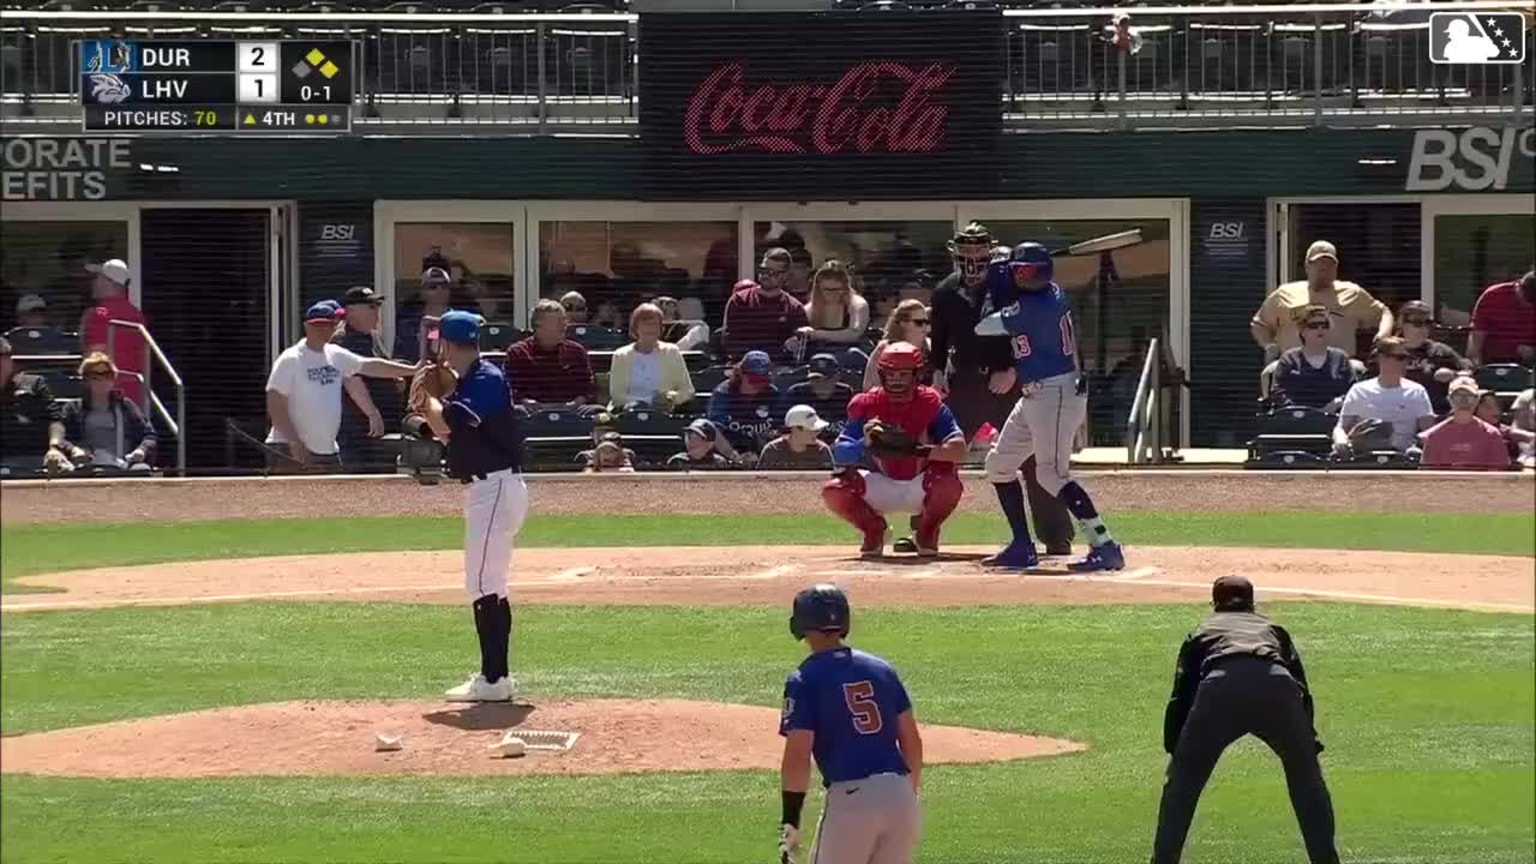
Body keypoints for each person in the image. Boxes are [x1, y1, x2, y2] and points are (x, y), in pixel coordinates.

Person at [1152, 576, 1337, 864]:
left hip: (1219, 687)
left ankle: (1164, 861)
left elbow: (1182, 694)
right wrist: (1306, 741)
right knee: (1307, 779)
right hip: (1277, 685)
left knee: (1182, 784)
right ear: (1253, 603)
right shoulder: (1272, 628)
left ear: (1214, 603)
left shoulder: (1202, 630)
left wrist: (1178, 751)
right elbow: (1300, 686)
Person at [977, 242, 1125, 572]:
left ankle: (1105, 545)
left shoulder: (1035, 306)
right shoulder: (1052, 292)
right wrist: (1008, 277)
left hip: (1055, 392)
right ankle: (1021, 546)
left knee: (1050, 473)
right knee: (999, 465)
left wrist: (996, 287)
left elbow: (983, 327)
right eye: (1020, 271)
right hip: (1036, 393)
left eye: (1027, 271)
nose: (1023, 276)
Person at [929, 223, 1073, 556]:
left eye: (979, 254)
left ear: (990, 253)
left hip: (1008, 382)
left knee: (1036, 460)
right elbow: (940, 337)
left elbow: (1031, 332)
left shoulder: (1011, 287)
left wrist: (1012, 368)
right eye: (965, 255)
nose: (972, 263)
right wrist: (937, 371)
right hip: (963, 381)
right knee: (938, 454)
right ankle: (925, 528)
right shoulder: (946, 291)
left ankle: (1055, 535)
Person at [412, 310, 529, 703]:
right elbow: (439, 428)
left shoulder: (486, 378)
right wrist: (427, 411)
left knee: (483, 585)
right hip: (491, 488)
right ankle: (499, 677)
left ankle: (493, 681)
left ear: (447, 344)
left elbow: (448, 423)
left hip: (494, 488)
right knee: (491, 585)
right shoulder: (471, 381)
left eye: (440, 342)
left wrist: (428, 399)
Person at [777, 584, 923, 864]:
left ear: (802, 624)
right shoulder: (881, 669)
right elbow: (911, 741)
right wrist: (906, 793)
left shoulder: (804, 678)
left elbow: (797, 755)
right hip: (900, 797)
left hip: (852, 801)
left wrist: (790, 821)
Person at [824, 342, 967, 557]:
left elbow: (958, 450)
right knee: (834, 490)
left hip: (920, 482)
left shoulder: (931, 404)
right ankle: (874, 530)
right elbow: (839, 453)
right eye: (891, 375)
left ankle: (926, 530)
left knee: (949, 483)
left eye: (902, 375)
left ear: (916, 375)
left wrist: (916, 449)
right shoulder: (866, 403)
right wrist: (864, 442)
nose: (896, 381)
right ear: (882, 375)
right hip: (880, 481)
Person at [264, 300, 420, 474]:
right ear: (307, 327)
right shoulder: (291, 359)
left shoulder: (335, 354)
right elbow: (275, 404)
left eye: (328, 325)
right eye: (318, 326)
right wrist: (293, 441)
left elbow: (370, 366)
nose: (323, 330)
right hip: (289, 449)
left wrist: (413, 370)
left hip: (327, 451)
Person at [1251, 241, 1392, 360]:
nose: (1324, 268)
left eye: (1329, 263)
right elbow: (1259, 324)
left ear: (1336, 267)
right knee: (1270, 372)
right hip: (1295, 368)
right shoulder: (1284, 293)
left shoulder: (1352, 292)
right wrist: (1269, 345)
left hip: (1339, 368)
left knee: (1358, 369)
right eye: (1318, 263)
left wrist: (1382, 335)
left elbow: (1384, 313)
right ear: (1307, 266)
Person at [1331, 336, 1437, 459]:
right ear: (1382, 358)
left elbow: (1429, 431)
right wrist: (1341, 440)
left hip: (1403, 458)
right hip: (1364, 456)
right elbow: (1341, 427)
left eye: (1407, 358)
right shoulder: (1359, 390)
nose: (1405, 363)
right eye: (1400, 358)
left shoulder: (1417, 391)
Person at [333, 286, 396, 473]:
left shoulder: (370, 337)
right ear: (352, 310)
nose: (376, 311)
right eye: (371, 306)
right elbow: (351, 378)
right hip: (354, 428)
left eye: (377, 306)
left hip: (373, 428)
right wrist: (372, 413)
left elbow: (380, 366)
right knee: (357, 482)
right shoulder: (345, 339)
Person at [58, 352, 155, 472]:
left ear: (113, 380)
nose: (101, 381)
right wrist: (73, 449)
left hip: (123, 463)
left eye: (107, 376)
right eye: (95, 377)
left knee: (142, 470)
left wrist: (141, 450)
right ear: (86, 381)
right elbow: (59, 437)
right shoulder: (73, 408)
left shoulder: (126, 406)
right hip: (88, 464)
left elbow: (149, 435)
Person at [502, 299, 599, 411]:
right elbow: (510, 388)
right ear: (539, 325)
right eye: (558, 321)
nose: (564, 324)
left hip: (571, 412)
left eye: (564, 319)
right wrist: (527, 403)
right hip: (530, 414)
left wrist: (575, 404)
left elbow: (588, 387)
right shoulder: (518, 353)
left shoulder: (576, 351)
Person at [78, 258, 147, 408]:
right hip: (134, 394)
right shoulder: (136, 314)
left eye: (97, 278)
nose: (93, 283)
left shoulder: (101, 314)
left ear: (107, 282)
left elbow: (95, 355)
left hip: (107, 396)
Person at [721, 249, 809, 362]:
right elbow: (729, 341)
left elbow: (799, 347)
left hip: (780, 370)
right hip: (743, 367)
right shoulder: (740, 300)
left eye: (773, 273)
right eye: (763, 270)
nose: (766, 275)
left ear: (785, 275)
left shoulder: (794, 308)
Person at [1267, 305, 1361, 411]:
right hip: (1296, 419)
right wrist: (1295, 410)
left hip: (1333, 417)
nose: (1320, 329)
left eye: (1324, 325)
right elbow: (1278, 391)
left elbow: (1353, 390)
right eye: (1313, 326)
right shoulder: (1289, 359)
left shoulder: (1340, 358)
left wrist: (1337, 403)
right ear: (1302, 331)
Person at [607, 303, 695, 412]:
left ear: (661, 328)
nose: (650, 328)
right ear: (635, 328)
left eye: (654, 324)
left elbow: (688, 391)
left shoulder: (672, 352)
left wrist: (670, 398)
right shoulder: (620, 355)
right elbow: (617, 396)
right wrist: (646, 403)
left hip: (664, 414)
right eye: (645, 324)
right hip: (628, 413)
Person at [0, 335, 70, 473]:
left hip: (38, 458)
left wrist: (55, 448)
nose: (2, 362)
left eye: (5, 356)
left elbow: (55, 420)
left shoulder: (34, 383)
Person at [1418, 376, 1513, 470]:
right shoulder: (1434, 435)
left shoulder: (1491, 434)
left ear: (1477, 400)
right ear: (1449, 400)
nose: (1464, 401)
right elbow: (1429, 474)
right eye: (1458, 397)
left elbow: (1499, 473)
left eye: (1469, 397)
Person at [1396, 300, 1472, 414]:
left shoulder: (1440, 351)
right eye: (1417, 323)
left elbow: (1469, 370)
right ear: (1402, 323)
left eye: (1428, 323)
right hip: (1397, 412)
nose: (1423, 328)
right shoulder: (1390, 350)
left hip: (1436, 412)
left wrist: (1454, 375)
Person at [707, 349, 781, 452]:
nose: (758, 385)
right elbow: (715, 431)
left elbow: (781, 429)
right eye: (754, 380)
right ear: (741, 373)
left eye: (763, 381)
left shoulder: (772, 393)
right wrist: (735, 457)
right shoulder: (723, 393)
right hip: (731, 451)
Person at [795, 260, 871, 358]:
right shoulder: (809, 309)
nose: (831, 294)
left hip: (850, 357)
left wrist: (816, 334)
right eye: (827, 290)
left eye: (836, 289)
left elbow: (855, 334)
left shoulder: (857, 304)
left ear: (845, 287)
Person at [1467, 270, 1535, 367]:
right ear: (1519, 288)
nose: (1529, 306)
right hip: (1493, 363)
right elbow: (1475, 342)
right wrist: (1478, 369)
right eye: (1527, 300)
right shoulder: (1493, 296)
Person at [864, 299, 937, 391]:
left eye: (927, 323)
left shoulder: (932, 347)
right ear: (903, 323)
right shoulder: (885, 349)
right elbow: (870, 387)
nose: (926, 328)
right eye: (919, 323)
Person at [786, 353, 856, 428]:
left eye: (826, 380)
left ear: (837, 377)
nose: (821, 385)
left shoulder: (845, 394)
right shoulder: (797, 394)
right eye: (816, 380)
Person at [758, 404, 835, 470]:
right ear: (795, 429)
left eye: (818, 429)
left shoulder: (822, 450)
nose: (818, 432)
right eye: (813, 430)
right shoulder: (772, 450)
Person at [1476, 389, 1536, 465]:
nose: (1495, 410)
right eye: (1488, 407)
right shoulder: (1469, 429)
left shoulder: (1504, 430)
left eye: (1496, 406)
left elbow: (1519, 434)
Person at [665, 417, 745, 470]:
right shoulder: (677, 461)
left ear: (709, 444)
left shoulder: (719, 463)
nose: (691, 441)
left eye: (697, 437)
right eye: (689, 436)